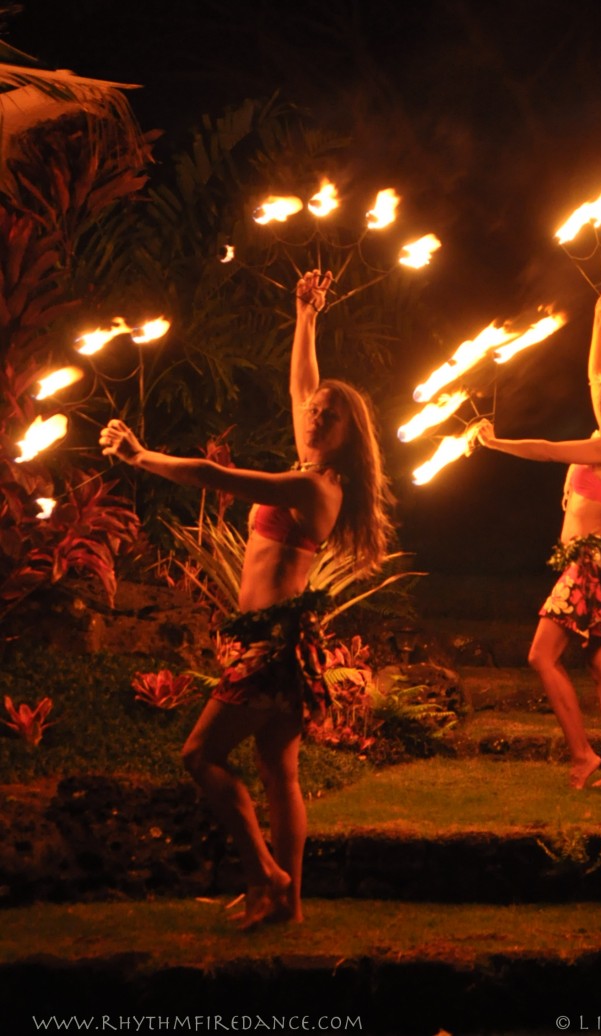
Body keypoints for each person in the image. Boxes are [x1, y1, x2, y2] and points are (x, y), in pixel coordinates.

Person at [100, 269, 393, 926]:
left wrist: (139, 457)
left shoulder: (319, 487)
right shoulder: (311, 467)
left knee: (199, 755)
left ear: (350, 434)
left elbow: (213, 474)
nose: (314, 414)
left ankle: (265, 872)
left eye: (329, 414)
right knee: (277, 772)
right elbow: (299, 385)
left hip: (270, 649)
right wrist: (306, 314)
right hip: (279, 644)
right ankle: (286, 903)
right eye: (314, 410)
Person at [477, 285, 601, 790]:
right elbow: (596, 373)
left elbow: (552, 451)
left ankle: (584, 755)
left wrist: (497, 442)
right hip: (589, 564)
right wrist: (600, 318)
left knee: (541, 656)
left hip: (591, 564)